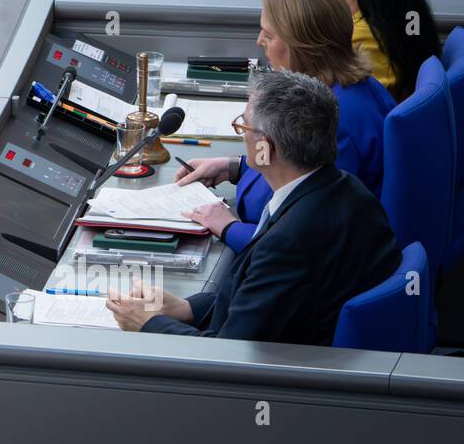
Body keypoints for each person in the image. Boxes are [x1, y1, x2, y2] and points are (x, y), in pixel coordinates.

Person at [108, 67, 401, 343]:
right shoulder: (349, 189)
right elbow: (259, 302)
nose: (242, 134)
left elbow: (227, 356)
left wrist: (148, 324)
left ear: (265, 148)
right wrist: (186, 308)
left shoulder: (289, 244)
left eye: (243, 126)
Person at [175, 0, 396, 251]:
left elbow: (311, 241)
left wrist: (229, 227)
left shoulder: (336, 119)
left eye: (268, 35)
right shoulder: (346, 86)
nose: (259, 41)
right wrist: (234, 166)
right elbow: (301, 165)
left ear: (303, 44)